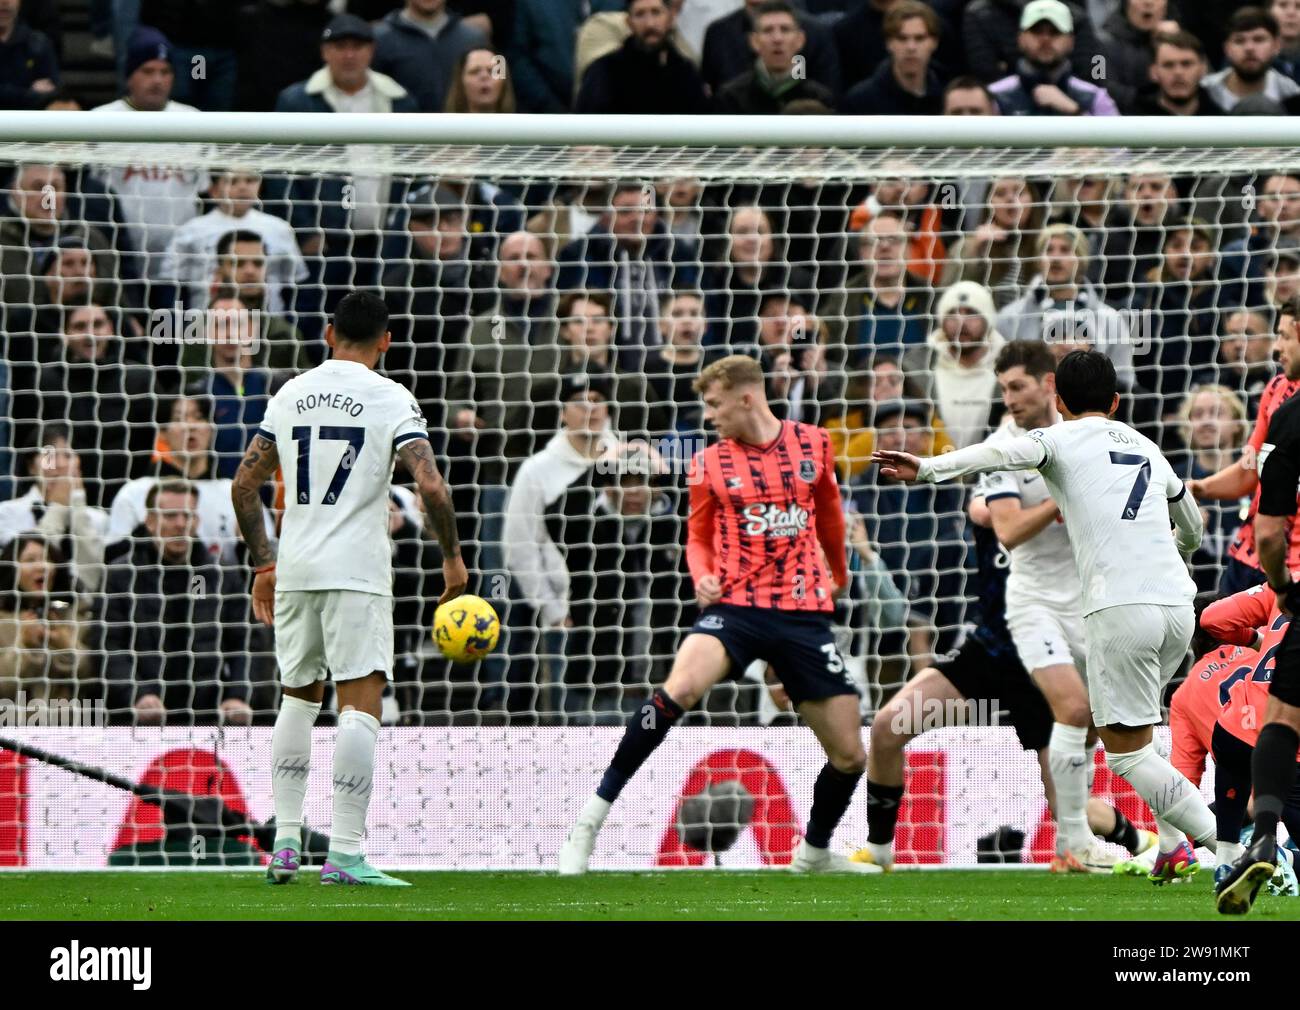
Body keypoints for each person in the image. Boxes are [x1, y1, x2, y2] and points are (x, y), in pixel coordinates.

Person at [873, 349, 1217, 883]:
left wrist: (925, 469)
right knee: (1133, 737)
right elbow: (1190, 522)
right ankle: (1166, 844)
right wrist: (1178, 549)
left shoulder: (1053, 441)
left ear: (1057, 397)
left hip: (1114, 608)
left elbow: (984, 459)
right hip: (1176, 605)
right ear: (1118, 401)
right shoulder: (1148, 445)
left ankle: (1235, 845)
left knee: (1123, 753)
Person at [558, 354, 869, 875]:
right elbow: (697, 537)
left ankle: (814, 853)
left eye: (714, 403)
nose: (709, 415)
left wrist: (838, 573)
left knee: (850, 755)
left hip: (802, 612)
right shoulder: (708, 463)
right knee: (676, 691)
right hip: (736, 608)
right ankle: (588, 822)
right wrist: (701, 573)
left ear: (746, 397)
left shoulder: (813, 443)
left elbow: (831, 516)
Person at [230, 290, 467, 887]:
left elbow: (243, 484)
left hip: (297, 570)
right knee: (359, 708)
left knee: (297, 699)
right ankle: (343, 854)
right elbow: (432, 488)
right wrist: (453, 560)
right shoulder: (393, 398)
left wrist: (264, 565)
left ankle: (284, 843)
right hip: (357, 574)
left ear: (329, 333)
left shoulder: (290, 393)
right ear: (386, 340)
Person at [862, 490, 1156, 873]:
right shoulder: (1002, 491)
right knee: (888, 726)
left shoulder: (1078, 510)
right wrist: (1048, 504)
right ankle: (877, 851)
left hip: (1044, 666)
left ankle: (1142, 842)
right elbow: (984, 513)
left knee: (1066, 803)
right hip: (988, 653)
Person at [1216, 307, 1300, 911]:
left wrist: (1281, 586)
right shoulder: (1278, 399)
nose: (1278, 347)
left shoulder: (1291, 419)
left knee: (1282, 718)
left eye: (1286, 334)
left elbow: (1269, 532)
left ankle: (1265, 835)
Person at [101, 479, 252, 725]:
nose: (180, 524)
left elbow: (244, 643)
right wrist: (137, 695)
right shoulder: (121, 575)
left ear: (197, 521)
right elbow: (110, 645)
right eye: (170, 516)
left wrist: (237, 695)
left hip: (207, 715)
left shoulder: (219, 575)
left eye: (187, 515)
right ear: (150, 522)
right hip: (137, 718)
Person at [1189, 299, 1300, 597]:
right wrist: (1198, 488)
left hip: (1293, 566)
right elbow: (1249, 469)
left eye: (1285, 337)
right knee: (1215, 634)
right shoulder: (1276, 389)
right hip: (1248, 555)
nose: (1277, 348)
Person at [160, 169, 307, 315]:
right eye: (232, 181)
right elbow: (173, 287)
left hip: (269, 323)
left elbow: (295, 285)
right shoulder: (190, 231)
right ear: (214, 190)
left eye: (250, 180)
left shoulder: (279, 228)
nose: (243, 187)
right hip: (208, 324)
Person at [575, 0, 710, 114]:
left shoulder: (686, 72)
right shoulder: (604, 71)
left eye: (656, 12)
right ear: (629, 22)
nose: (649, 24)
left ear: (670, 19)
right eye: (640, 14)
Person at [988, 0, 1121, 116]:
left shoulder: (1094, 97)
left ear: (1071, 41)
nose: (1045, 39)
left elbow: (1118, 144)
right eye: (1036, 31)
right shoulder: (994, 96)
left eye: (1055, 32)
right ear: (1020, 38)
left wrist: (1074, 111)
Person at [713, 0, 833, 115]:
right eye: (768, 30)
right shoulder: (730, 98)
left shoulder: (819, 98)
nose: (777, 39)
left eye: (785, 30)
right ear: (754, 41)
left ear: (800, 40)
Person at [372, 0, 489, 112]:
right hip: (400, 129)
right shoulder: (380, 40)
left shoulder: (473, 39)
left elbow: (501, 79)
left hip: (463, 128)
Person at [838, 0, 944, 116]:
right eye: (902, 38)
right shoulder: (859, 102)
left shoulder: (945, 95)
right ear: (888, 43)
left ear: (934, 42)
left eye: (919, 38)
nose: (911, 47)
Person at [1203, 6, 1300, 111]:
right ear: (1227, 48)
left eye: (1258, 39)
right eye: (1239, 41)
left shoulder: (1292, 94)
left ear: (1276, 46)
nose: (1249, 48)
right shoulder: (1205, 92)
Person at [1130, 30, 1228, 115]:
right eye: (1168, 65)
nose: (1178, 72)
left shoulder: (1221, 122)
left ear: (1203, 69)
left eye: (1186, 64)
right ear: (1154, 72)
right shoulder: (1130, 121)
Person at [0, 0, 59, 110]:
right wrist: (29, 93)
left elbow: (51, 91)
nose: (5, 1)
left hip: (29, 123)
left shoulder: (38, 43)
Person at [444, 46, 517, 112]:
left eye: (492, 71)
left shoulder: (521, 125)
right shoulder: (442, 126)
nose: (484, 76)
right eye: (474, 71)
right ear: (460, 81)